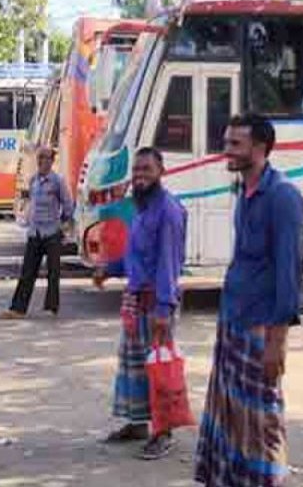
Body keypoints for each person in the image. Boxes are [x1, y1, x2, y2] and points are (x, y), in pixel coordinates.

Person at [194, 114, 302, 486]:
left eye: (235, 144)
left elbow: (287, 272)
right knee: (231, 417)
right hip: (233, 320)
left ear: (259, 148)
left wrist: (278, 341)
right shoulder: (243, 191)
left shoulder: (282, 196)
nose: (227, 150)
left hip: (260, 325)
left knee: (262, 420)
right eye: (226, 142)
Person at [94, 146, 187, 460]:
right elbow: (137, 257)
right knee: (134, 368)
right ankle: (137, 425)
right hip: (136, 301)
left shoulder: (168, 210)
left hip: (156, 305)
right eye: (136, 170)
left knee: (158, 369)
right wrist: (109, 269)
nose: (140, 175)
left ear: (161, 172)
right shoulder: (142, 208)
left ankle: (164, 433)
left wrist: (163, 310)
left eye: (146, 169)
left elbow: (168, 264)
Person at [0, 146, 73, 319]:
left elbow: (68, 206)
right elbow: (32, 204)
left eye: (45, 158)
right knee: (27, 272)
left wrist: (61, 226)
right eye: (39, 158)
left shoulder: (57, 181)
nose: (41, 161)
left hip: (51, 232)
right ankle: (18, 308)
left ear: (52, 161)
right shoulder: (34, 181)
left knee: (53, 273)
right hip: (35, 232)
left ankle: (51, 307)